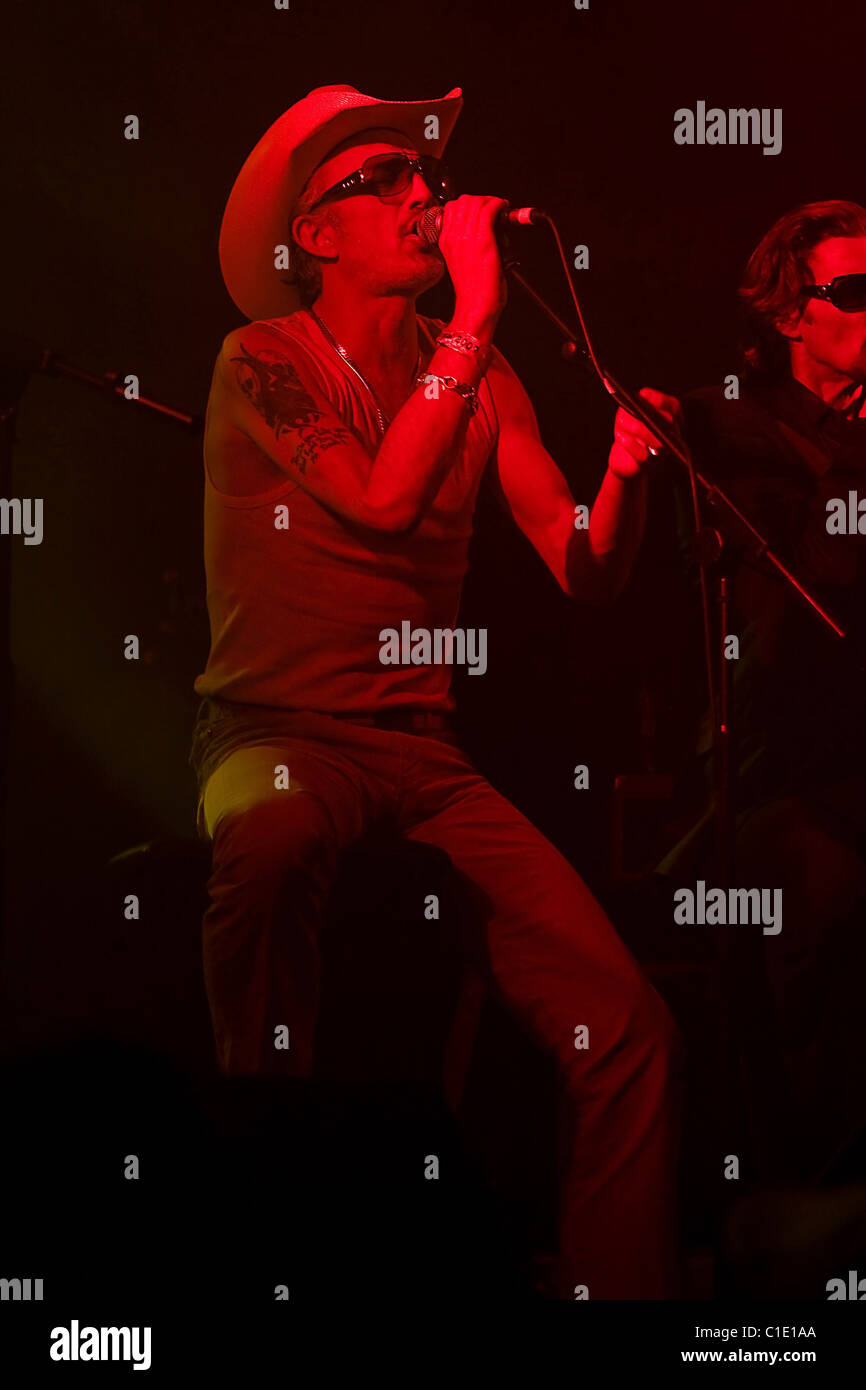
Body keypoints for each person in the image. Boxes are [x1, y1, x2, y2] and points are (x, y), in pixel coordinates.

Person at [189, 83, 683, 1299]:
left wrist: (619, 478)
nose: (425, 195)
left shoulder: (481, 371)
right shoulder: (259, 361)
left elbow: (581, 567)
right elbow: (377, 495)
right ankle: (257, 1217)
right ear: (316, 235)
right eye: (387, 183)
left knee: (625, 1026)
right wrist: (472, 317)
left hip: (424, 752)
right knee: (265, 836)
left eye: (426, 179)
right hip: (277, 729)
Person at [655, 200, 866, 1183]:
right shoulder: (730, 420)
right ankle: (808, 1196)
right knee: (818, 895)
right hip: (778, 769)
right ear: (790, 314)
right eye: (855, 292)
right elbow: (816, 572)